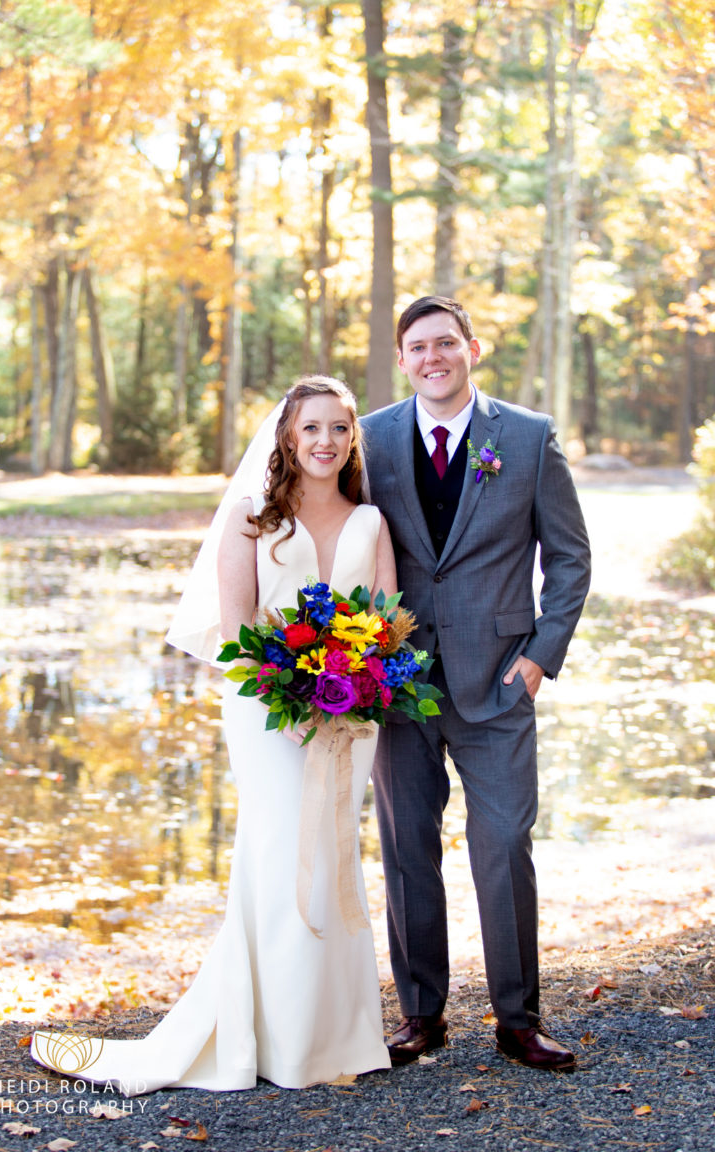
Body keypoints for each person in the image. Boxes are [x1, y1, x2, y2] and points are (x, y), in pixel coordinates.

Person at [31, 376, 397, 1093]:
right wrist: (291, 702)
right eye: (313, 428)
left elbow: (383, 618)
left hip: (352, 715)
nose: (326, 442)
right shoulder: (252, 518)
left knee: (332, 854)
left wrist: (359, 691)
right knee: (282, 849)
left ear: (353, 439)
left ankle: (337, 1037)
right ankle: (276, 1041)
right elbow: (237, 630)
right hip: (267, 712)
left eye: (340, 429)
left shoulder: (370, 522)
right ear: (288, 437)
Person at [361, 296, 591, 1072]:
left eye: (447, 344)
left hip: (498, 682)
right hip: (398, 683)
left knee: (502, 845)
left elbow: (569, 558)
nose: (434, 357)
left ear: (473, 348)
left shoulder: (526, 438)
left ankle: (517, 1018)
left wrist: (538, 659)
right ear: (403, 358)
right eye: (419, 346)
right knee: (406, 850)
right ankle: (420, 1014)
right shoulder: (370, 439)